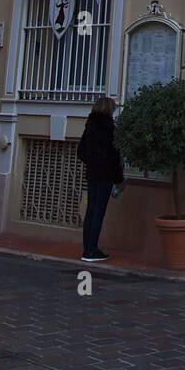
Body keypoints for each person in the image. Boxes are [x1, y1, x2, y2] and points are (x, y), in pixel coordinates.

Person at [77, 96, 124, 262]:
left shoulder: (90, 126)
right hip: (105, 175)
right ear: (109, 109)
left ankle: (87, 249)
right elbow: (114, 156)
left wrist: (92, 161)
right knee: (98, 211)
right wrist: (119, 178)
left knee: (91, 210)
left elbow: (81, 151)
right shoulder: (109, 128)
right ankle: (92, 250)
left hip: (92, 173)